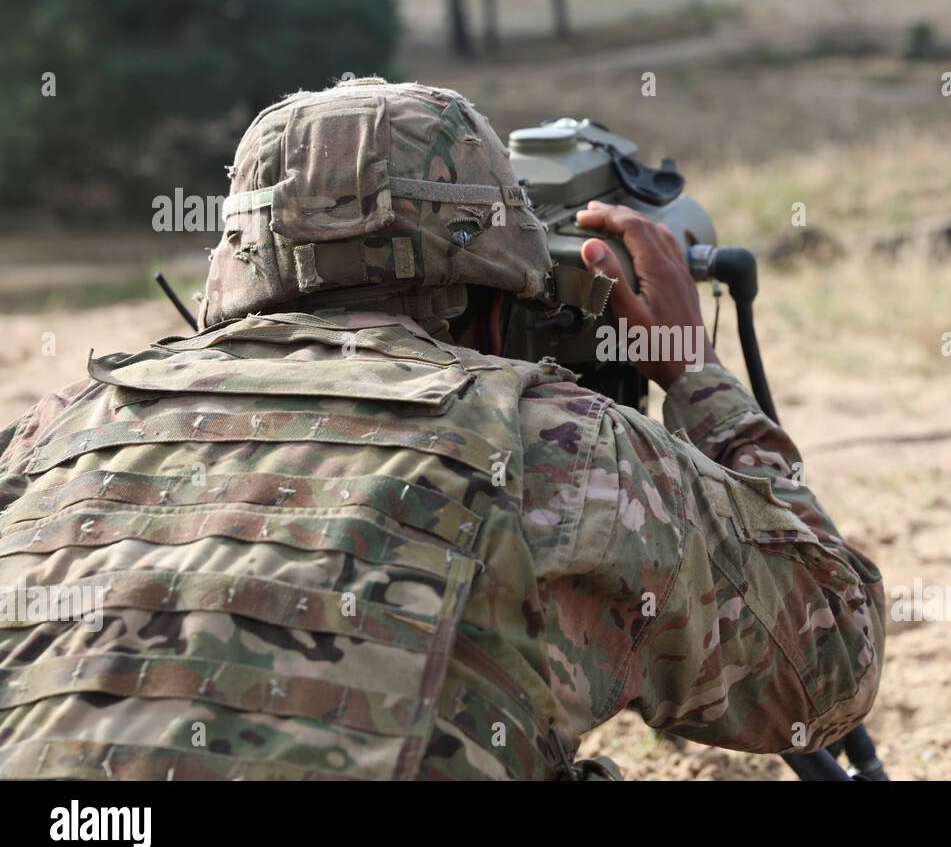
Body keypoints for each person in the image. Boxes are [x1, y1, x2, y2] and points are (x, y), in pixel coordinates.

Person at [0, 78, 885, 780]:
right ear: (498, 306)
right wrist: (698, 378)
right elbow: (829, 666)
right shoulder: (559, 448)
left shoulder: (56, 435)